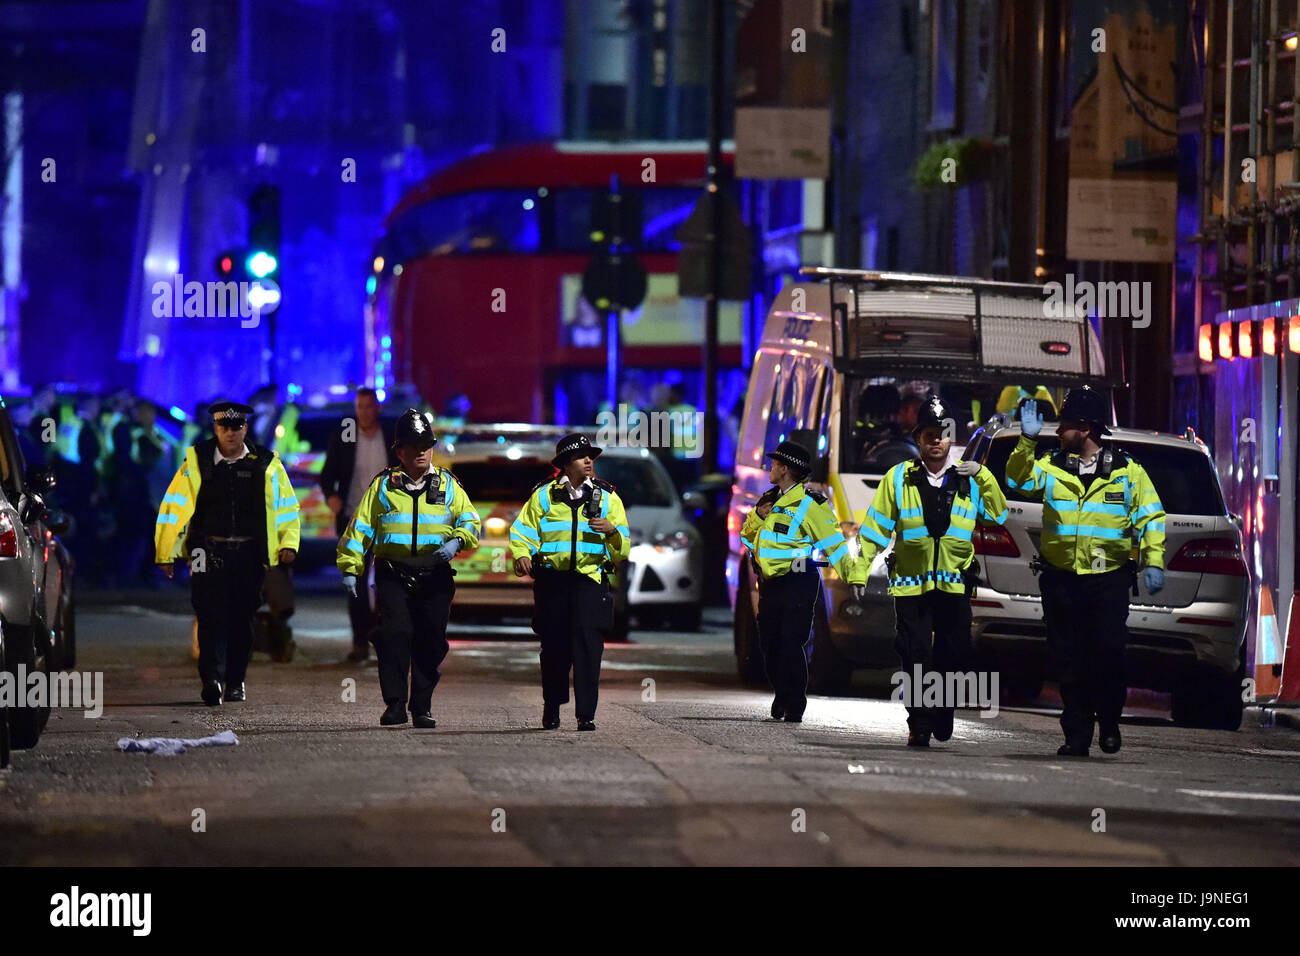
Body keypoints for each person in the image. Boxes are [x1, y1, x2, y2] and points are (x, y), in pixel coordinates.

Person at [1008, 387, 1166, 757]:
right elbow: (1018, 480)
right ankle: (1077, 733)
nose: (1058, 432)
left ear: (1085, 427)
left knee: (1108, 652)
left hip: (1107, 579)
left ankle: (1109, 720)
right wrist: (1026, 442)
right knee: (1068, 657)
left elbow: (1151, 517)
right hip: (1062, 578)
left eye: (1065, 425)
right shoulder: (1052, 465)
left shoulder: (1128, 471)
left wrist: (1153, 560)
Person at [854, 395, 1009, 746]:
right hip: (911, 586)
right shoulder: (898, 478)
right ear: (918, 438)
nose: (936, 440)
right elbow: (875, 529)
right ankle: (920, 723)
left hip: (955, 587)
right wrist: (860, 569)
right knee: (915, 655)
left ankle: (943, 708)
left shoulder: (969, 480)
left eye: (942, 433)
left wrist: (983, 476)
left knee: (954, 655)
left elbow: (998, 514)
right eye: (929, 434)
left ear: (951, 439)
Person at [337, 408, 480, 728]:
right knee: (395, 634)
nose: (421, 451)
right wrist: (350, 568)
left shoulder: (449, 485)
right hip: (394, 573)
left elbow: (471, 521)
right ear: (399, 450)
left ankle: (422, 706)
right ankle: (395, 704)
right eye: (414, 446)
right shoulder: (384, 485)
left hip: (435, 576)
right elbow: (360, 527)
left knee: (430, 640)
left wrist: (457, 541)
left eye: (426, 445)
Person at [154, 400, 301, 705]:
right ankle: (211, 680)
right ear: (215, 428)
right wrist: (165, 551)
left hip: (248, 552)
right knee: (208, 616)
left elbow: (286, 506)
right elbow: (174, 508)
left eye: (237, 427)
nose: (231, 433)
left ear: (245, 428)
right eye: (224, 427)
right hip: (207, 550)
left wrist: (288, 542)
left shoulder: (265, 462)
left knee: (242, 619)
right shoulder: (198, 461)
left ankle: (235, 680)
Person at [739, 439, 867, 723]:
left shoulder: (812, 505)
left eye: (774, 464)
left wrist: (854, 576)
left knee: (790, 641)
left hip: (798, 582)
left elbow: (835, 545)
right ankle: (782, 693)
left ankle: (793, 703)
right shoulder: (768, 500)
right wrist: (759, 517)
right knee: (769, 644)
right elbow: (747, 537)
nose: (770, 468)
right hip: (770, 584)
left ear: (785, 469)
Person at [510, 433, 630, 731]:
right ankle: (552, 706)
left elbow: (623, 548)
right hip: (552, 582)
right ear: (565, 463)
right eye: (581, 456)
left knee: (589, 649)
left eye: (591, 456)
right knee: (554, 649)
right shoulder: (544, 495)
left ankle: (586, 714)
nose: (589, 461)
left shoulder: (608, 497)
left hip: (590, 581)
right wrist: (522, 553)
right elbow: (522, 530)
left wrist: (613, 531)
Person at [319, 387, 396, 662]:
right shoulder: (345, 436)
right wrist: (332, 498)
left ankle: (387, 641)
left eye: (369, 406)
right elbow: (326, 475)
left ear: (378, 409)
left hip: (390, 522)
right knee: (357, 584)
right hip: (354, 519)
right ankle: (360, 643)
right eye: (360, 407)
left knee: (390, 584)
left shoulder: (391, 436)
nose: (364, 412)